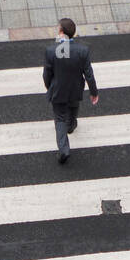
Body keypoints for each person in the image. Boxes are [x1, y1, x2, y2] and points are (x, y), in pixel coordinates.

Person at [42, 18, 98, 165]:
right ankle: (71, 126)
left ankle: (64, 150)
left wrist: (50, 87)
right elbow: (89, 74)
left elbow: (47, 74)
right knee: (73, 107)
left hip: (58, 90)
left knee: (59, 119)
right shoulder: (82, 51)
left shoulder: (51, 51)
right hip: (75, 88)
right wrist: (94, 92)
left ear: (61, 32)